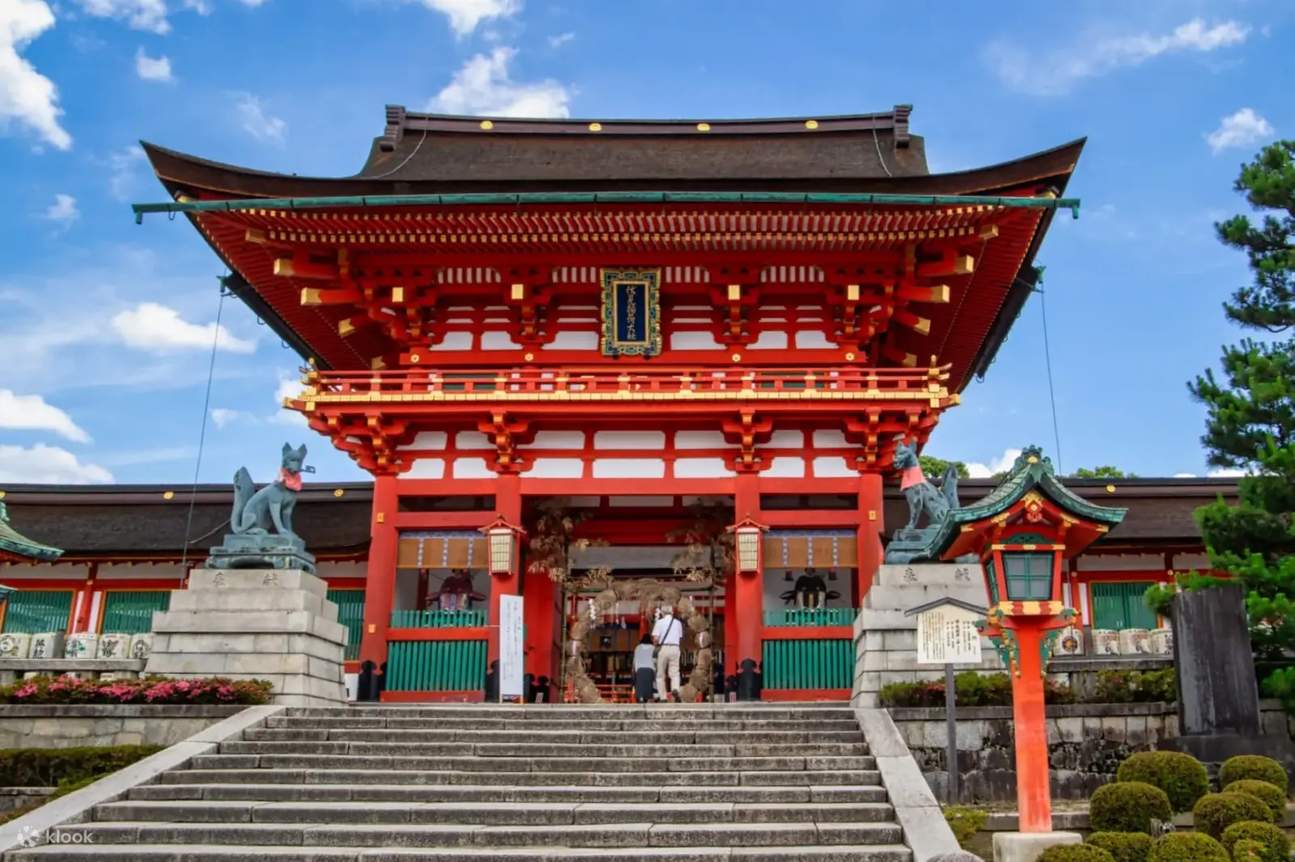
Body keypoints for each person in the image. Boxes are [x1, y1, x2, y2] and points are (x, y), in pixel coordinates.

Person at [651, 607, 683, 702]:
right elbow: (680, 637)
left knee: (660, 674)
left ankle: (663, 697)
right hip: (675, 648)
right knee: (675, 672)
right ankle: (675, 689)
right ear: (672, 612)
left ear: (662, 613)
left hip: (663, 648)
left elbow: (656, 639)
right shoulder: (678, 623)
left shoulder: (659, 622)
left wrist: (655, 644)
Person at [632, 633, 655, 703]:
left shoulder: (637, 648)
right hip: (650, 670)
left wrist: (634, 671)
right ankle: (651, 696)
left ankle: (641, 697)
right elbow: (655, 661)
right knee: (650, 685)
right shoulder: (653, 648)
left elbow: (634, 661)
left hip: (639, 670)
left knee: (639, 685)